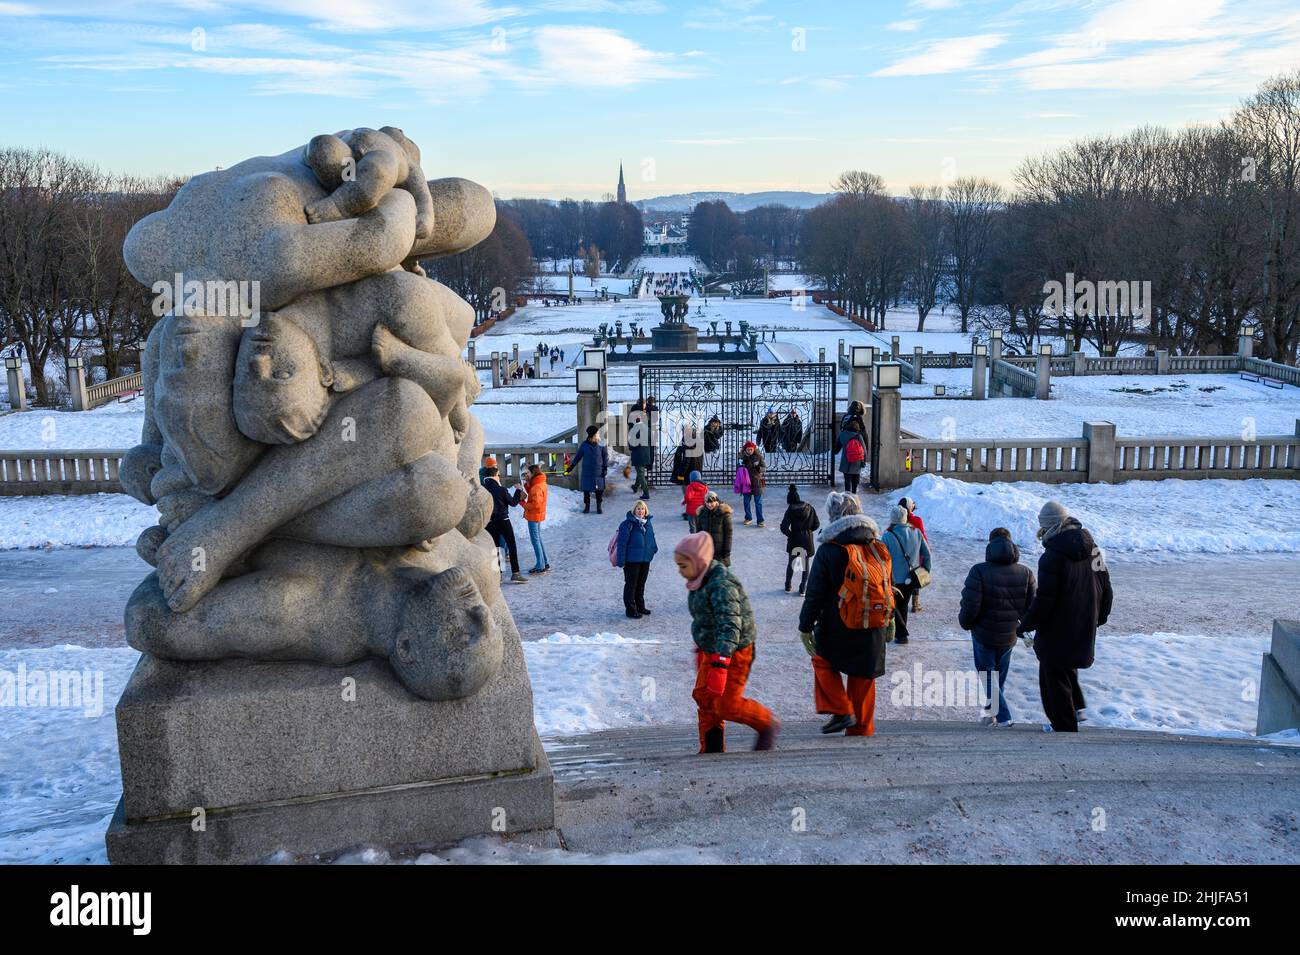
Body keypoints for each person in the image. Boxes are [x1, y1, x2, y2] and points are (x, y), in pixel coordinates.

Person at [673, 531, 779, 753]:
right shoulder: (700, 580)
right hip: (712, 648)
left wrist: (720, 663)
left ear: (698, 561)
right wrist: (702, 642)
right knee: (705, 698)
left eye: (684, 566)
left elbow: (731, 624)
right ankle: (712, 749)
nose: (680, 571)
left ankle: (766, 722)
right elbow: (708, 618)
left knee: (726, 705)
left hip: (734, 651)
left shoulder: (722, 584)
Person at [797, 492, 890, 736]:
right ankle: (860, 734)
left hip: (838, 625)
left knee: (822, 660)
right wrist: (891, 621)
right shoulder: (877, 545)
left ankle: (839, 709)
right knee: (863, 679)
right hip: (874, 623)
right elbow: (888, 586)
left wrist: (805, 626)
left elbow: (815, 594)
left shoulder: (829, 549)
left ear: (833, 515)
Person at [1018, 501, 1113, 733]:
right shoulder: (1094, 549)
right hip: (1084, 620)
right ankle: (1078, 710)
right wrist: (1099, 617)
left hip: (1057, 626)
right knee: (1066, 665)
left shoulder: (1051, 557)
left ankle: (1064, 726)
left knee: (1052, 675)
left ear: (1048, 528)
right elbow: (1106, 586)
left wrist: (1025, 625)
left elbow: (1045, 601)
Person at [958, 527, 1035, 726]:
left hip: (983, 633)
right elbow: (1031, 607)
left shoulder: (979, 571)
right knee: (997, 677)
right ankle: (990, 713)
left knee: (988, 675)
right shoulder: (1026, 572)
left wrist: (966, 623)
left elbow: (970, 603)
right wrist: (1024, 629)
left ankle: (1003, 717)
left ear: (990, 545)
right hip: (1009, 635)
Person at [883, 504, 931, 644]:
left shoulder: (887, 536)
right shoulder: (916, 532)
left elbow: (881, 558)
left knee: (893, 605)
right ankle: (901, 635)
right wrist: (925, 570)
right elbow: (927, 554)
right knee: (903, 605)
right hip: (912, 577)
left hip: (894, 579)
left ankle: (902, 633)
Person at [481, 466, 528, 584]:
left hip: (490, 522)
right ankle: (515, 573)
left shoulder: (482, 489)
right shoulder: (501, 489)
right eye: (498, 475)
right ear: (494, 476)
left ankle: (499, 575)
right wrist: (518, 490)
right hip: (503, 520)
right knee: (511, 545)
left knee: (495, 547)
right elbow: (512, 503)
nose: (499, 477)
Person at [615, 499, 658, 619]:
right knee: (631, 585)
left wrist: (654, 548)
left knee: (641, 584)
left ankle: (640, 606)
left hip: (645, 559)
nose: (640, 511)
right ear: (634, 510)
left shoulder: (647, 523)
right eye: (638, 509)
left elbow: (652, 537)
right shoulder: (627, 524)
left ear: (646, 511)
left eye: (642, 509)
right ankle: (630, 609)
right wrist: (621, 561)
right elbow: (621, 544)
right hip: (631, 560)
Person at [779, 484, 820, 595]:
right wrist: (808, 531)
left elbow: (783, 527)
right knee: (805, 564)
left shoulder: (790, 510)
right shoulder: (809, 507)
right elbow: (817, 524)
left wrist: (791, 534)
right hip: (807, 540)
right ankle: (802, 588)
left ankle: (788, 586)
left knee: (792, 563)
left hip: (795, 540)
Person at [566, 424, 608, 513]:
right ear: (593, 435)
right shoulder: (584, 445)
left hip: (598, 472)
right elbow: (578, 457)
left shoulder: (601, 444)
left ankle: (599, 507)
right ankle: (587, 507)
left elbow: (605, 457)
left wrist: (605, 468)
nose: (599, 435)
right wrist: (571, 467)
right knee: (586, 491)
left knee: (599, 491)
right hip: (587, 472)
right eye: (597, 434)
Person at [900, 496, 929, 612]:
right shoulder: (917, 520)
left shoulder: (898, 520)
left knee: (904, 577)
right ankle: (915, 605)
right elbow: (923, 537)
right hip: (916, 553)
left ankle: (902, 600)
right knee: (916, 576)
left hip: (902, 553)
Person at [522, 463, 551, 576]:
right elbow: (531, 491)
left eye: (528, 473)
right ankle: (545, 562)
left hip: (534, 515)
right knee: (538, 539)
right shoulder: (539, 482)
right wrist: (526, 482)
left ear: (533, 473)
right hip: (537, 515)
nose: (526, 474)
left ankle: (540, 566)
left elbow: (536, 505)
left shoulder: (537, 487)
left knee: (535, 541)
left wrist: (522, 503)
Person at [695, 491, 733, 566]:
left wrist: (726, 552)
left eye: (711, 502)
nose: (709, 505)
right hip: (706, 552)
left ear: (716, 501)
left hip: (720, 553)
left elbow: (728, 534)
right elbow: (699, 534)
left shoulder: (724, 513)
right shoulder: (701, 514)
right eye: (707, 502)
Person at [737, 440, 766, 527]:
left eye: (751, 449)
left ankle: (760, 520)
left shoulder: (758, 456)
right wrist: (741, 466)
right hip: (746, 483)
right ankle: (748, 518)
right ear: (745, 449)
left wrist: (758, 468)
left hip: (757, 482)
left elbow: (764, 468)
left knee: (758, 502)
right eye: (748, 449)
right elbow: (738, 470)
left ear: (754, 449)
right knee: (746, 501)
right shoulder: (741, 457)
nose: (749, 451)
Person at [837, 417, 866, 494]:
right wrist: (863, 462)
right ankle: (854, 496)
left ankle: (847, 496)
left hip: (846, 461)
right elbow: (864, 450)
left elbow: (837, 447)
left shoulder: (842, 434)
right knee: (854, 482)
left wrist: (835, 452)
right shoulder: (858, 436)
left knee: (847, 481)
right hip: (857, 462)